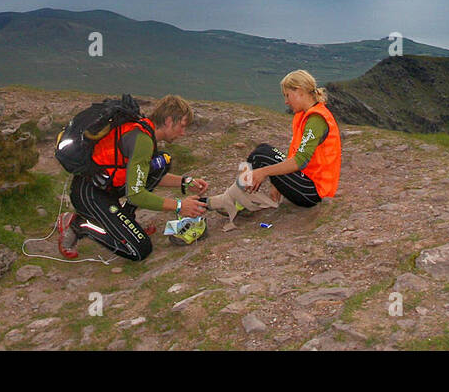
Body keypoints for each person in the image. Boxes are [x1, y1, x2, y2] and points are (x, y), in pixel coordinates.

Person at [57, 94, 208, 261]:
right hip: (91, 194)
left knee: (162, 161)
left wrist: (184, 182)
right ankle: (81, 225)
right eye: (182, 126)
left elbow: (139, 176)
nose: (183, 133)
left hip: (106, 185)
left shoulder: (144, 130)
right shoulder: (142, 141)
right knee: (139, 249)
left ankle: (125, 218)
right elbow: (136, 194)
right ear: (169, 121)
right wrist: (179, 206)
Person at [242, 70, 341, 207]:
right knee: (263, 149)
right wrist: (277, 183)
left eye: (287, 95)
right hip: (306, 179)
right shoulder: (304, 115)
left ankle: (238, 199)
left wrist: (263, 172)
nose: (286, 102)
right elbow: (294, 153)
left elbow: (299, 161)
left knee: (262, 156)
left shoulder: (316, 119)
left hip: (314, 191)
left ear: (299, 91)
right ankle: (240, 195)